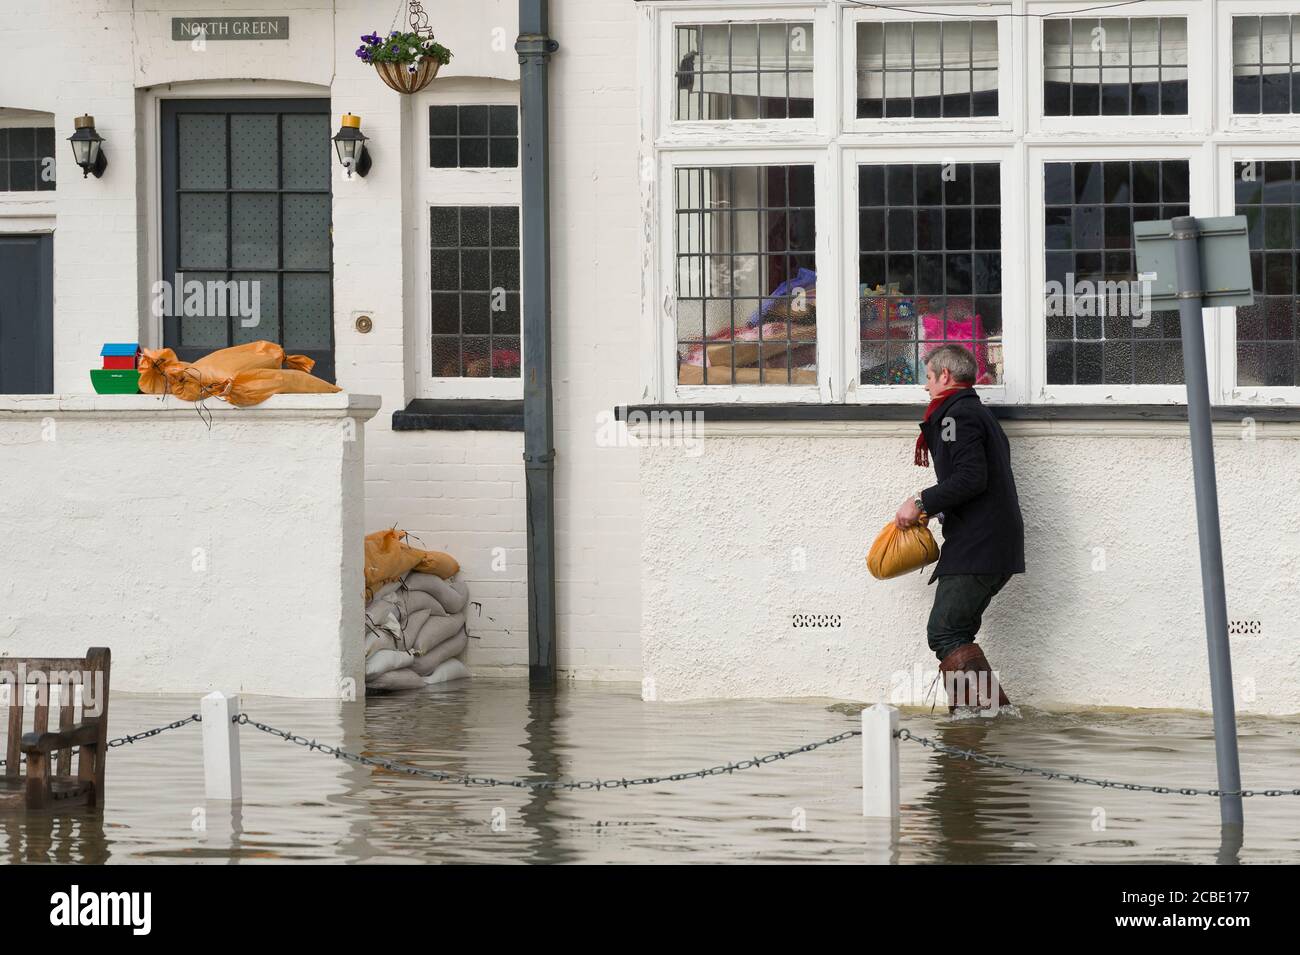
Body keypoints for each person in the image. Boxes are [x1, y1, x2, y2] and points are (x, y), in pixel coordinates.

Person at [893, 344, 1025, 714]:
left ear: (945, 376)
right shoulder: (971, 411)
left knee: (945, 631)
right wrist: (937, 510)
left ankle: (984, 718)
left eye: (928, 377)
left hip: (979, 545)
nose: (926, 386)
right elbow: (973, 481)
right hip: (986, 542)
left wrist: (921, 501)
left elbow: (971, 477)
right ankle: (982, 718)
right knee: (955, 631)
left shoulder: (957, 415)